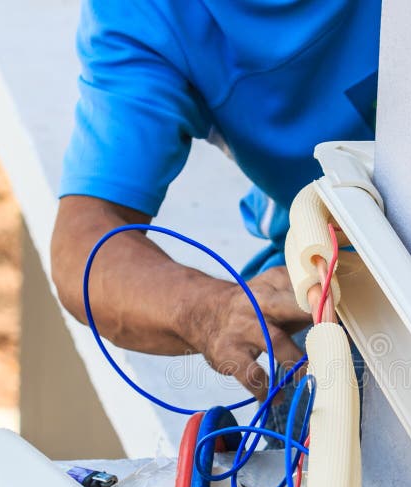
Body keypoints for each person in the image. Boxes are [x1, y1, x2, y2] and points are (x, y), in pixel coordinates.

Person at [51, 1, 381, 402]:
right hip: (342, 274)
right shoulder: (144, 16)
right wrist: (213, 311)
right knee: (322, 400)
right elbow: (84, 245)